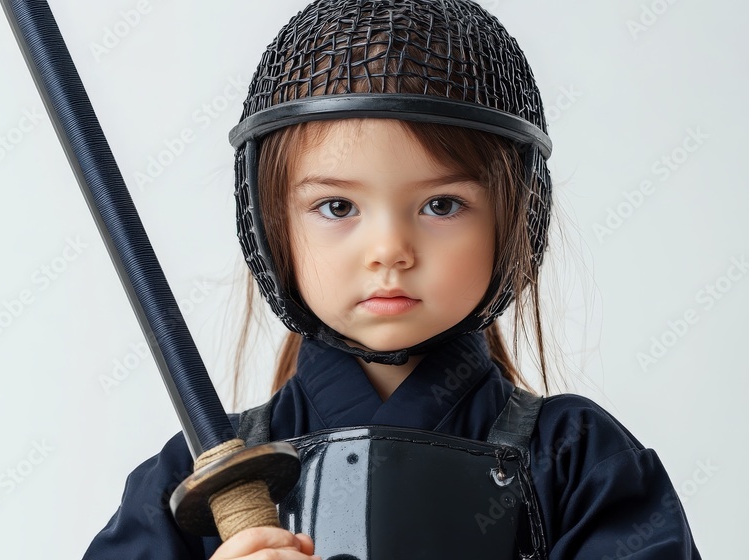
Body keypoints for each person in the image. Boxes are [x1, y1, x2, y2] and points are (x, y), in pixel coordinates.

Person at [82, 0, 701, 558]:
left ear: (516, 219)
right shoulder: (188, 484)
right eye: (337, 207)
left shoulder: (578, 463)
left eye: (441, 205)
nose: (390, 251)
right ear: (270, 226)